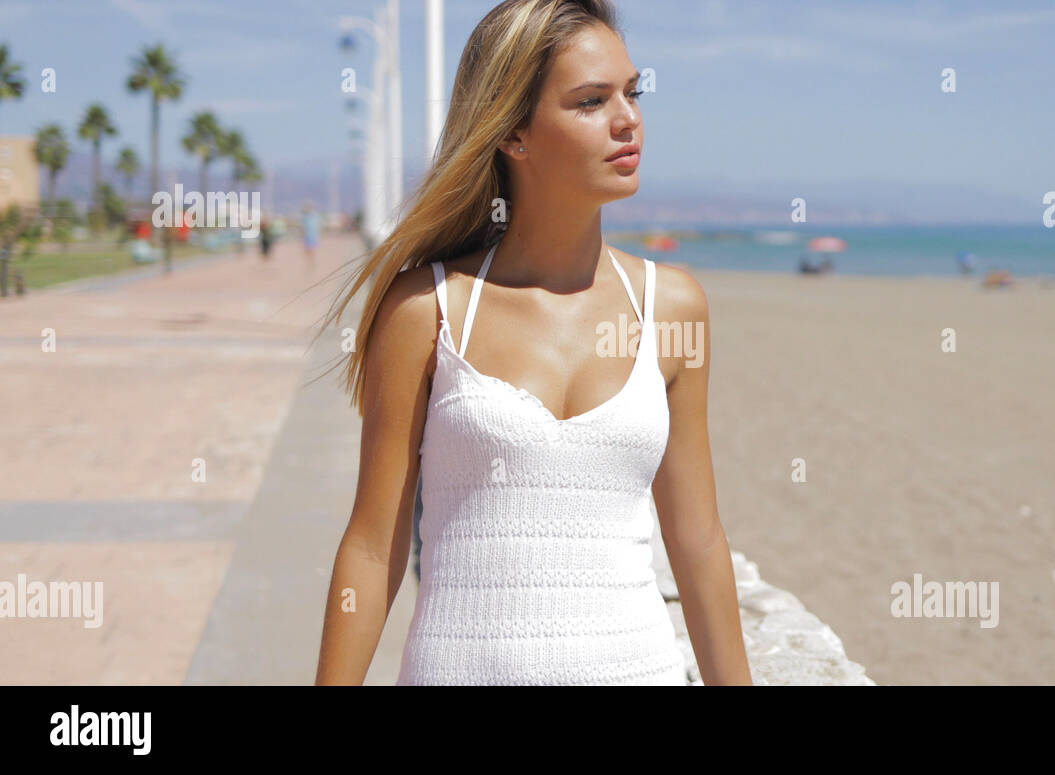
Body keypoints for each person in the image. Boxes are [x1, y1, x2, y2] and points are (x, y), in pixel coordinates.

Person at [313, 0, 750, 686]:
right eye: (590, 101)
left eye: (631, 93)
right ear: (513, 133)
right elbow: (372, 548)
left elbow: (698, 541)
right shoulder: (426, 310)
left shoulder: (673, 308)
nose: (628, 118)